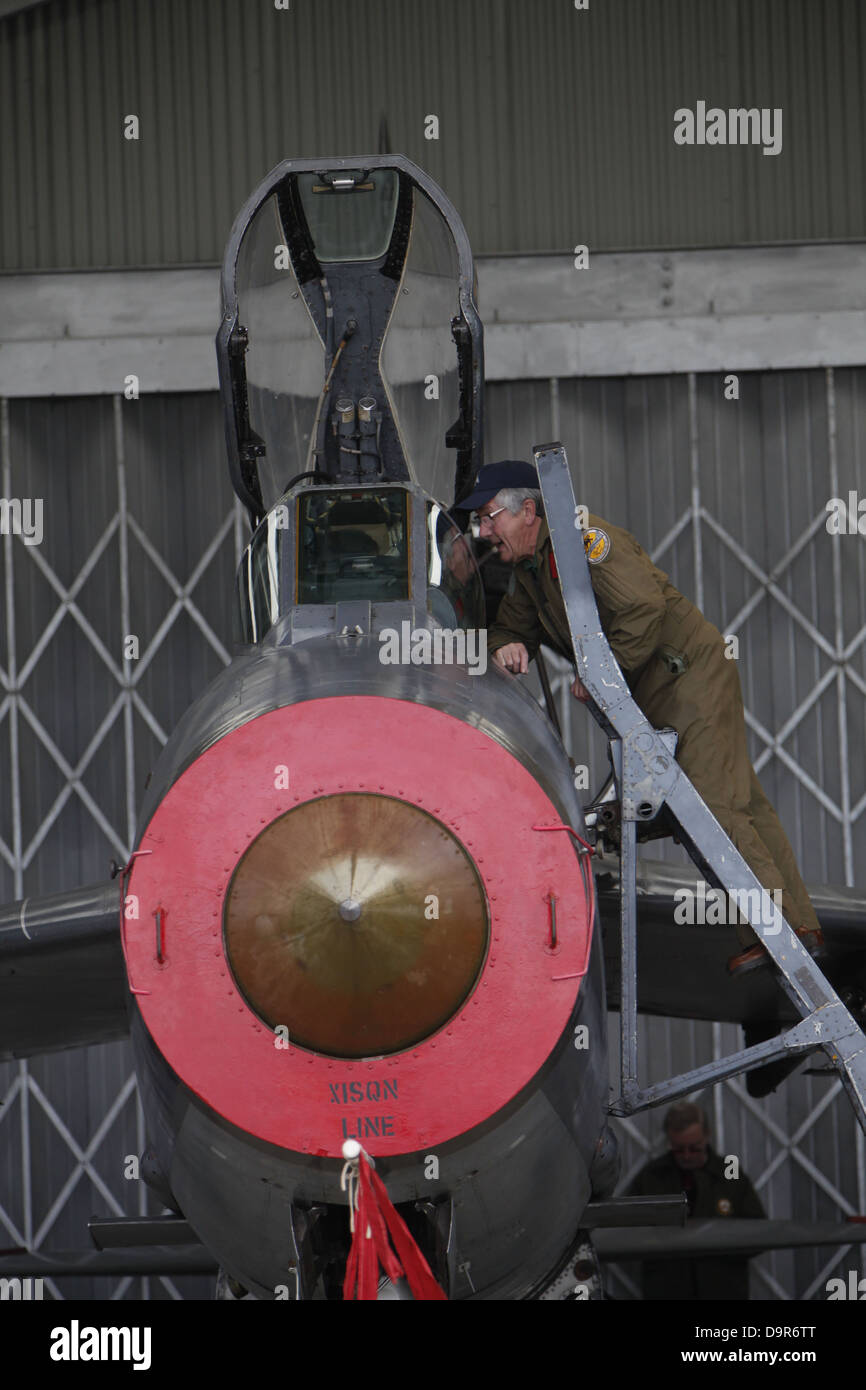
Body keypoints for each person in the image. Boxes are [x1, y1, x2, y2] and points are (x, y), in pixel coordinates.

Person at [459, 459, 823, 976]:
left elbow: (643, 608)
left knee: (714, 806)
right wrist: (507, 644)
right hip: (656, 687)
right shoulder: (531, 570)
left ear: (530, 512)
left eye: (491, 516)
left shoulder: (586, 543)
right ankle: (798, 928)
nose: (485, 531)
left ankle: (778, 932)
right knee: (745, 803)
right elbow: (510, 625)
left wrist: (605, 675)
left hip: (685, 674)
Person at [626, 1102, 765, 1300]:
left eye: (695, 1148)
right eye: (678, 1149)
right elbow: (629, 1233)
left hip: (723, 1291)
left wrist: (721, 1245)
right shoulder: (652, 1176)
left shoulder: (730, 1174)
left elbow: (759, 1230)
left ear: (707, 1136)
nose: (687, 1156)